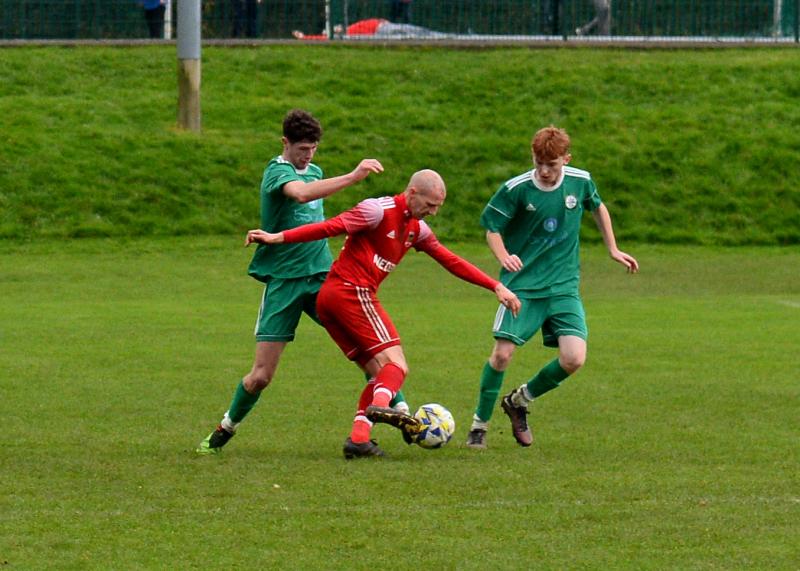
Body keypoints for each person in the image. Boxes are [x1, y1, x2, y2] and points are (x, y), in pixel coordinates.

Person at [245, 170, 521, 459]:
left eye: (438, 206)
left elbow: (450, 260)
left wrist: (495, 286)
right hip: (351, 293)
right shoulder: (377, 210)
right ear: (412, 193)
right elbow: (330, 227)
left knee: (379, 374)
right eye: (430, 205)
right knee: (397, 366)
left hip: (331, 300)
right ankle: (381, 407)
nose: (433, 212)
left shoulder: (417, 228)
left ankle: (358, 440)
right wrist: (279, 237)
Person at [196, 109, 389, 455]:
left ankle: (397, 417)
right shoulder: (277, 171)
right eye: (302, 149)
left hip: (323, 281)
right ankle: (224, 429)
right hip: (284, 283)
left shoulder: (315, 171)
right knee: (261, 376)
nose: (308, 155)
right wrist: (354, 176)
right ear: (285, 143)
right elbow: (300, 194)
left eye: (313, 148)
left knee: (370, 356)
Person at [465, 126, 638, 450]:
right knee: (502, 355)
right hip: (522, 287)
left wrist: (613, 248)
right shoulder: (516, 188)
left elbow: (598, 206)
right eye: (539, 163)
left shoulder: (580, 181)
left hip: (563, 287)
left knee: (574, 358)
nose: (544, 171)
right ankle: (479, 426)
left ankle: (519, 400)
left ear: (566, 159)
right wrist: (504, 256)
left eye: (552, 164)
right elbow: (492, 228)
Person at [292, 18, 448, 40]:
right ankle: (441, 36)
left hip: (382, 26)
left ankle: (442, 35)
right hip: (379, 30)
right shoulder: (346, 35)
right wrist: (304, 37)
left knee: (413, 30)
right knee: (411, 33)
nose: (336, 29)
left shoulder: (351, 27)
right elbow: (322, 39)